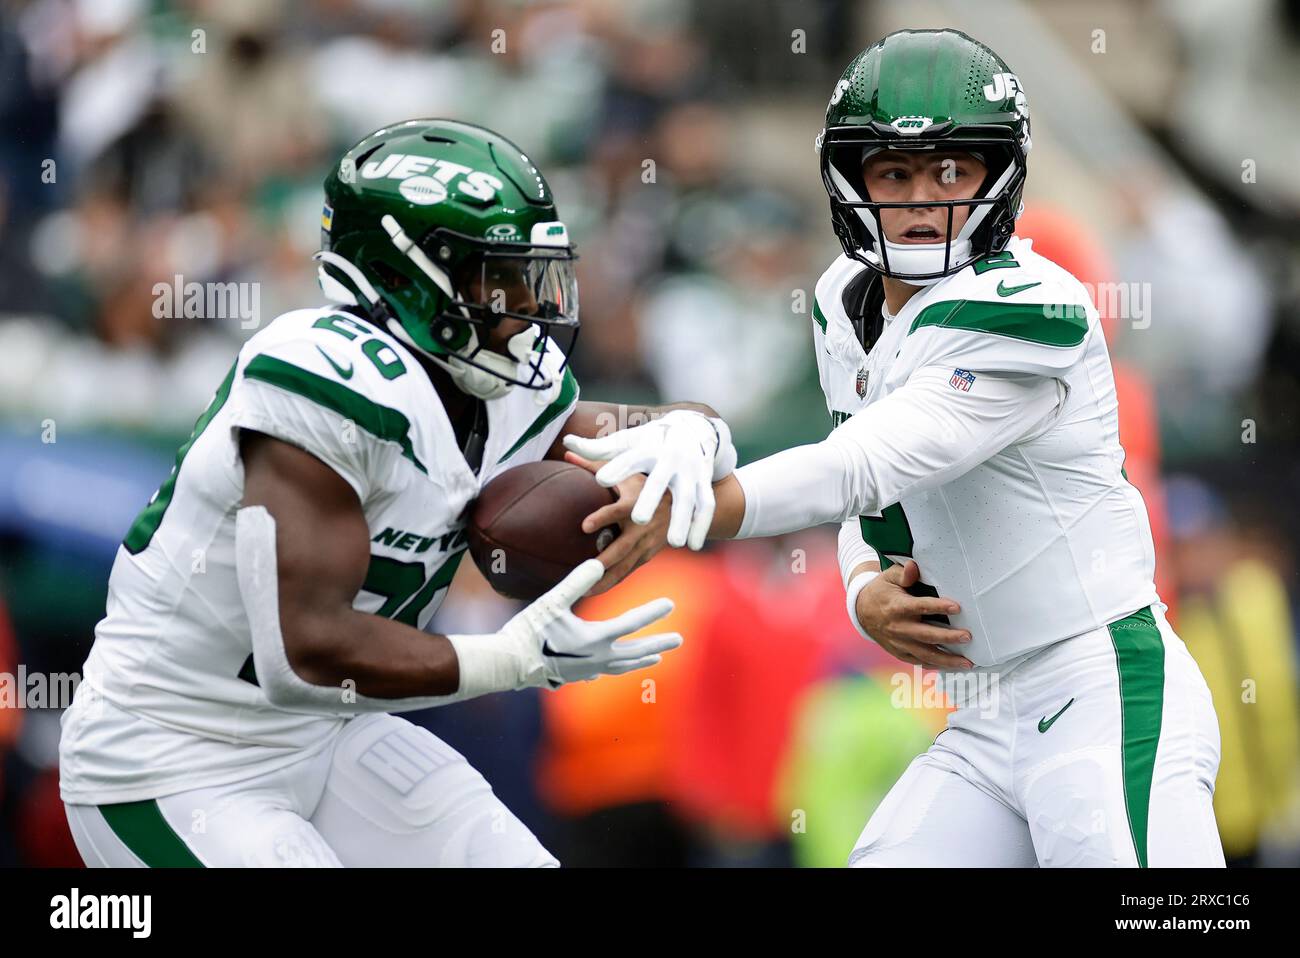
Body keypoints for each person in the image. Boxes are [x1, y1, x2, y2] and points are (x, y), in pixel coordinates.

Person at [569, 30, 1224, 867]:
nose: (924, 197)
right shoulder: (846, 301)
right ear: (852, 181)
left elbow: (863, 465)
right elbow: (866, 494)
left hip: (1101, 690)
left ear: (1001, 174)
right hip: (984, 713)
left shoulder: (1033, 310)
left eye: (952, 170)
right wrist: (859, 591)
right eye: (895, 171)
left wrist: (691, 510)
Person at [58, 119, 735, 867]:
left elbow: (634, 426)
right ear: (406, 272)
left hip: (332, 734)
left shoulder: (503, 380)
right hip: (177, 752)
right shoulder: (321, 378)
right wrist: (509, 658)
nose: (530, 307)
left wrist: (692, 438)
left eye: (531, 274)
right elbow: (303, 649)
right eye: (498, 277)